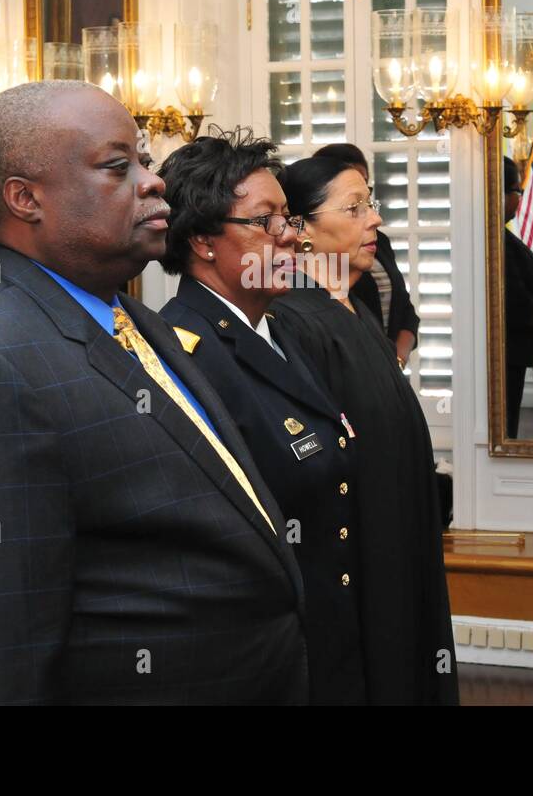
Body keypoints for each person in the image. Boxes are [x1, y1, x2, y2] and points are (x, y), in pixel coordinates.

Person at [0, 82, 306, 705]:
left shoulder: (134, 322)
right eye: (118, 166)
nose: (153, 181)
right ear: (26, 199)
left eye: (144, 161)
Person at [158, 130, 366, 704]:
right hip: (255, 657)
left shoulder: (279, 331)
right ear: (202, 239)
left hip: (320, 632)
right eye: (263, 222)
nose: (290, 239)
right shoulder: (184, 353)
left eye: (289, 220)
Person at [273, 153, 458, 705]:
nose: (373, 219)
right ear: (302, 230)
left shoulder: (355, 306)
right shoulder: (295, 320)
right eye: (353, 208)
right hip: (359, 552)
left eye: (370, 203)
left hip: (401, 536)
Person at [311, 143, 419, 367]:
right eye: (352, 205)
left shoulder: (379, 242)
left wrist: (397, 359)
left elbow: (405, 309)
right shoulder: (305, 280)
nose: (373, 218)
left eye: (366, 198)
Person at [502, 158, 533, 437]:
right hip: (503, 352)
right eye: (518, 192)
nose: (520, 200)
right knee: (503, 429)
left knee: (509, 425)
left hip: (516, 350)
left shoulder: (504, 238)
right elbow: (514, 298)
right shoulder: (493, 241)